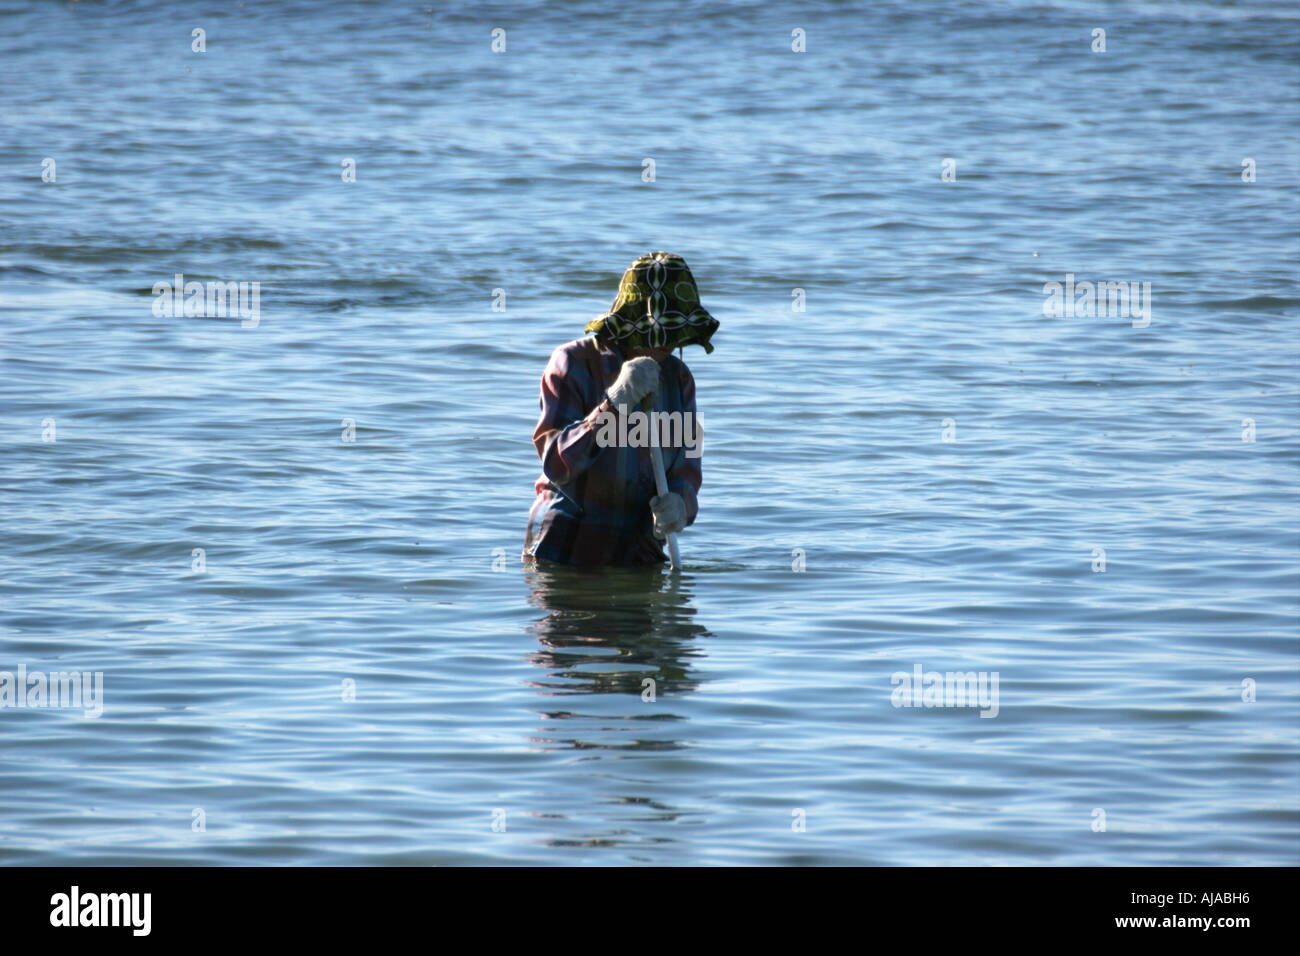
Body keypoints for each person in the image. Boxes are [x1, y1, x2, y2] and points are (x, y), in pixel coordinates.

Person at [524, 251, 719, 566]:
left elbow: (687, 467)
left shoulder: (679, 380)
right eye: (662, 332)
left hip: (639, 554)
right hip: (562, 550)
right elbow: (557, 465)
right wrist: (614, 403)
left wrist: (681, 505)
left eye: (675, 333)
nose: (669, 343)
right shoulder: (573, 363)